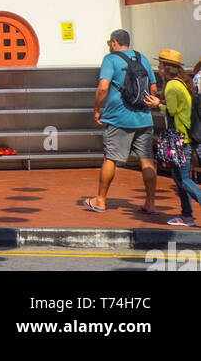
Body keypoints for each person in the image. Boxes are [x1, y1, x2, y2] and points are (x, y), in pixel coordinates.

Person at [85, 29, 157, 215]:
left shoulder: (110, 59)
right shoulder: (143, 58)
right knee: (147, 161)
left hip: (119, 118)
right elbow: (153, 88)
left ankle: (100, 200)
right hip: (143, 117)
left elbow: (103, 88)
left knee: (111, 158)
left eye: (111, 42)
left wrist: (96, 109)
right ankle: (150, 203)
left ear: (114, 42)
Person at [148, 50, 201, 227]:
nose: (159, 67)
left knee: (184, 179)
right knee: (179, 179)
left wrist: (157, 104)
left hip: (179, 139)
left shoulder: (172, 86)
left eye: (161, 64)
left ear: (166, 67)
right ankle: (186, 215)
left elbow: (170, 111)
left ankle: (187, 214)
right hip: (185, 138)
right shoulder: (182, 83)